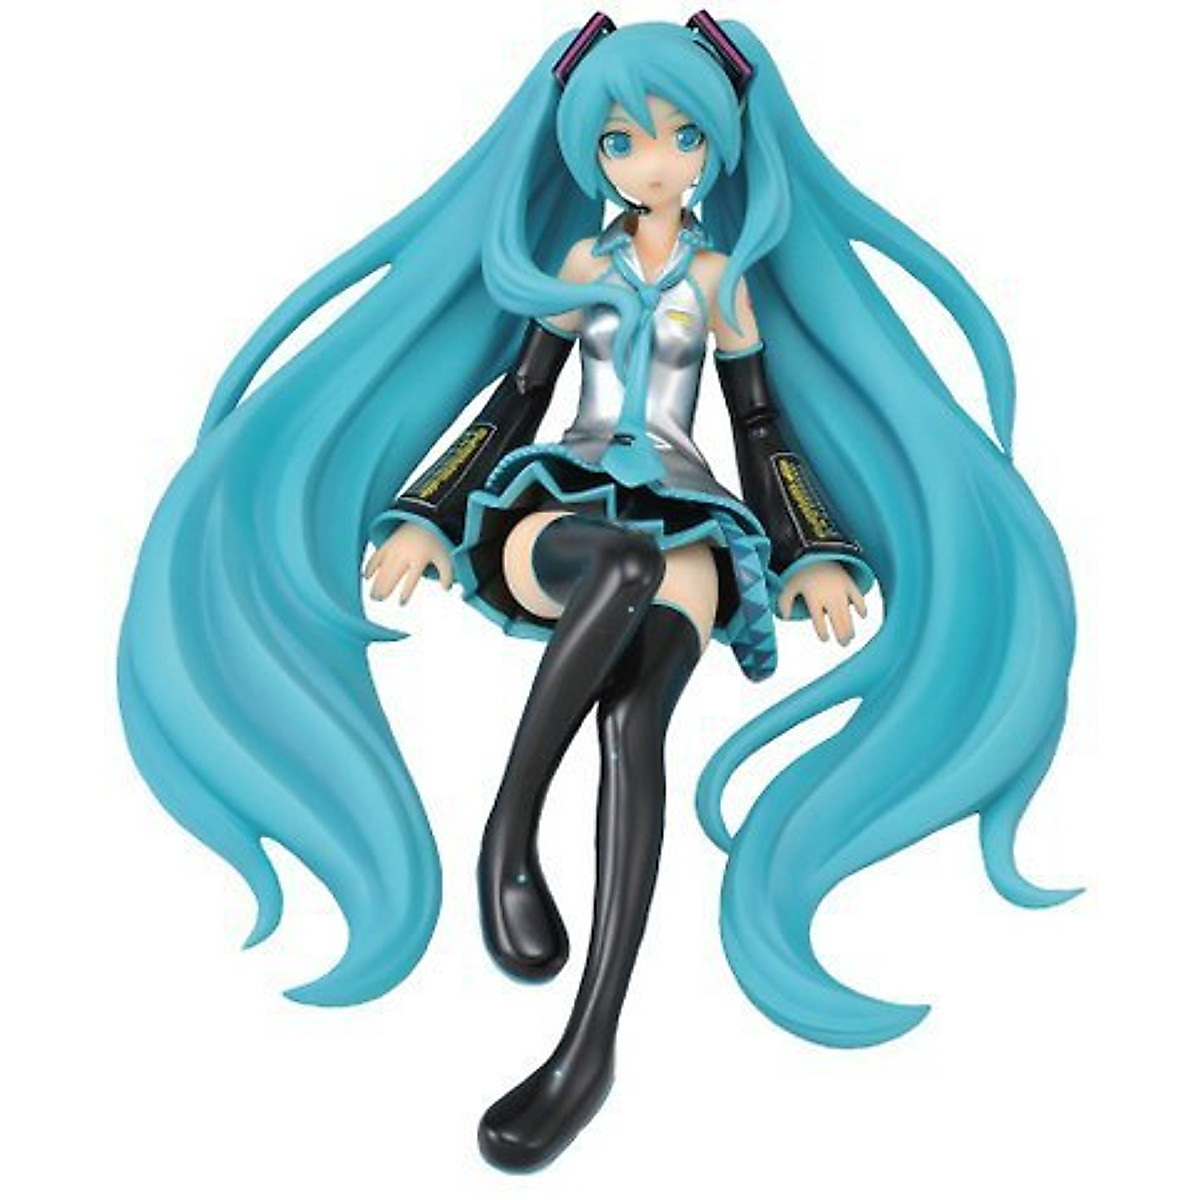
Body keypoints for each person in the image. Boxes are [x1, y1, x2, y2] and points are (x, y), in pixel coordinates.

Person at [117, 12, 1080, 1174]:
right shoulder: (580, 268)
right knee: (619, 568)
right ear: (591, 154)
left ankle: (586, 1052)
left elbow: (760, 425)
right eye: (623, 141)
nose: (652, 162)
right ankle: (511, 830)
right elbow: (517, 399)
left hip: (687, 510)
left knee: (636, 727)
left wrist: (812, 545)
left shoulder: (720, 282)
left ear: (716, 147)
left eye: (679, 137)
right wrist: (427, 512)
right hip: (561, 507)